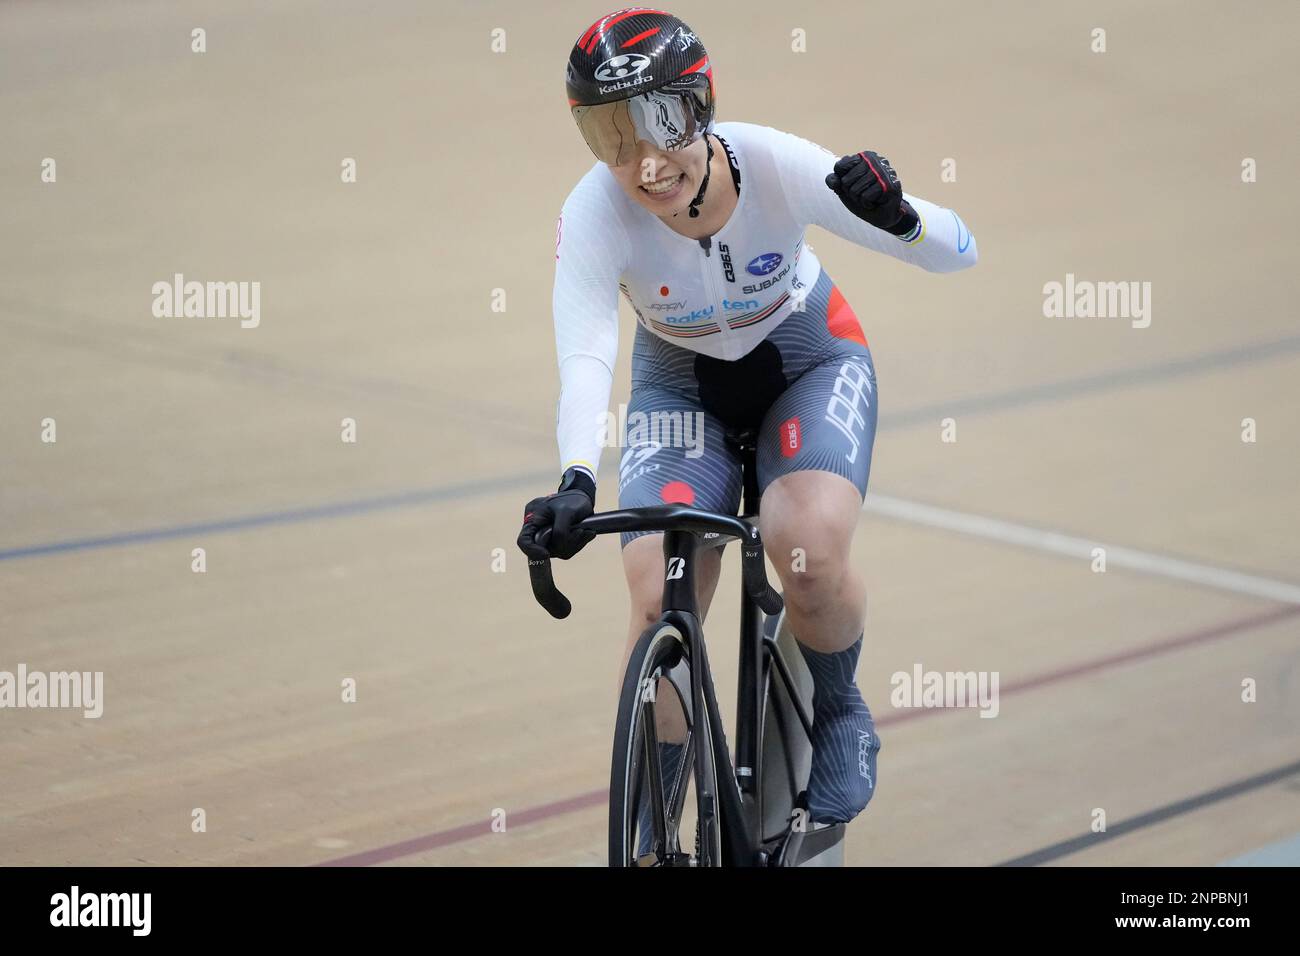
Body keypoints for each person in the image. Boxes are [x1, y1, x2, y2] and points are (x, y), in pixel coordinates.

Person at [517, 7, 977, 829]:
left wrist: (901, 213)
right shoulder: (591, 213)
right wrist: (576, 476)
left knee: (808, 551)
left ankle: (837, 711)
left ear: (702, 106)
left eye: (661, 125)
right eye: (611, 137)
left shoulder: (772, 163)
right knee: (659, 592)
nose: (646, 163)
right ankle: (653, 814)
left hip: (807, 360)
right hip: (679, 387)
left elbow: (958, 251)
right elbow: (586, 353)